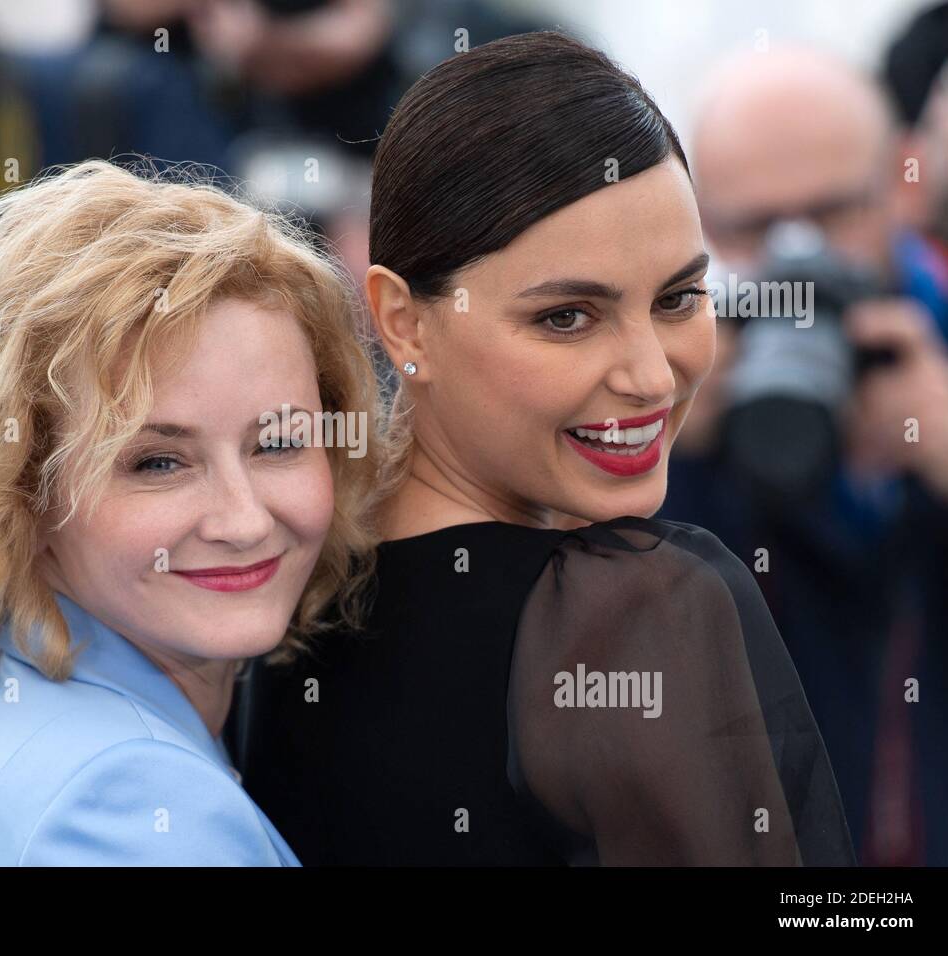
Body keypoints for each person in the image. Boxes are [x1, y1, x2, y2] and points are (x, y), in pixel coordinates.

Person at [235, 31, 856, 866]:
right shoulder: (639, 611)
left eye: (679, 298)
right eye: (567, 317)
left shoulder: (272, 589)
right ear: (401, 321)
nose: (649, 376)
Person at [0, 159, 385, 864]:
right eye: (158, 463)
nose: (244, 520)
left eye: (277, 443)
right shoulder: (131, 807)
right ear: (19, 491)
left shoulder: (19, 706)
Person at [667, 46, 948, 865]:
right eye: (754, 228)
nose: (798, 258)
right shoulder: (670, 392)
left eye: (831, 213)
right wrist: (663, 467)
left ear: (905, 180)